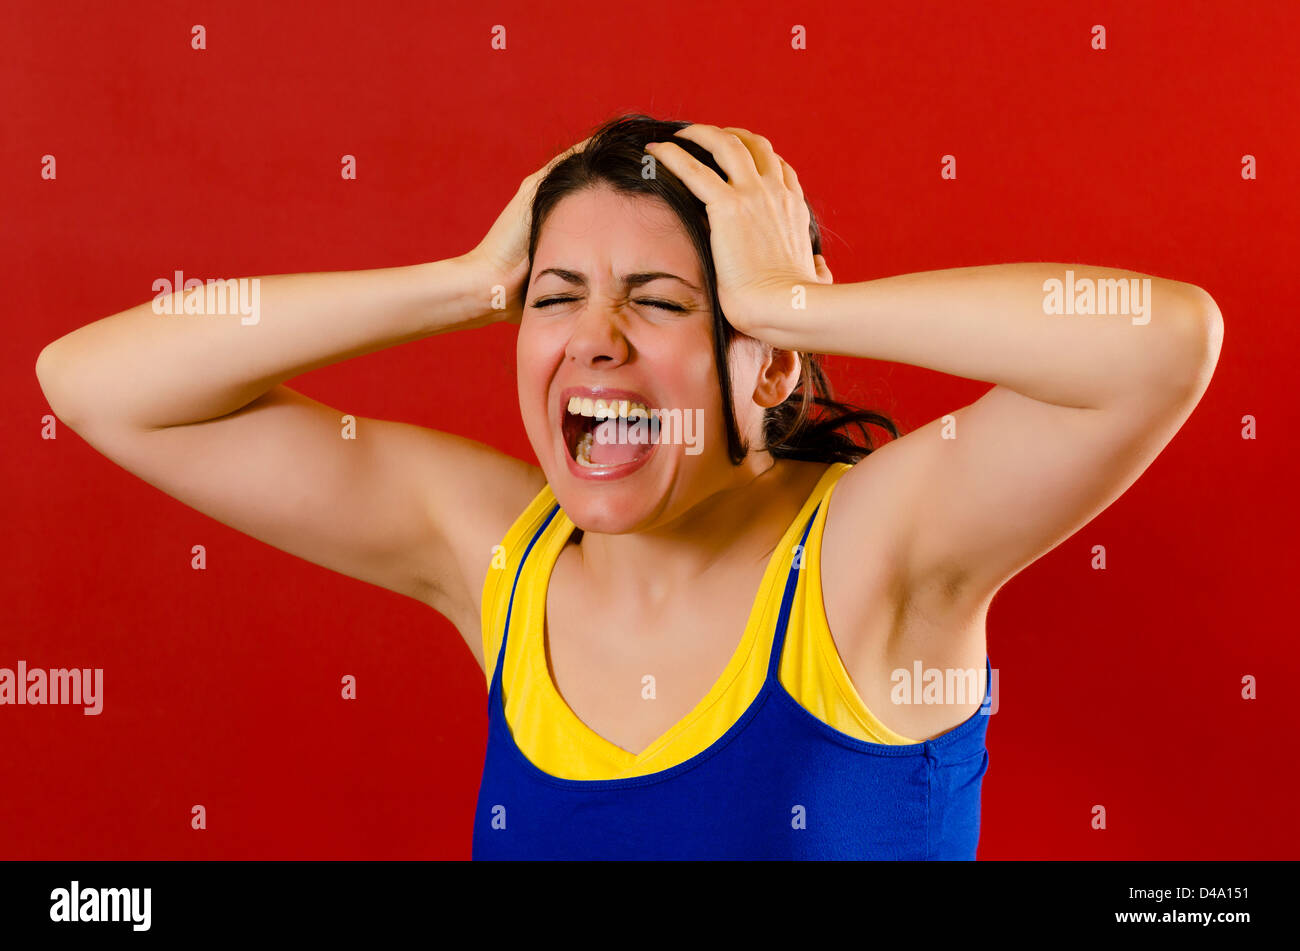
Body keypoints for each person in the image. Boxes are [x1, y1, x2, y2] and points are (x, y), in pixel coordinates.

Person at [34, 113, 1223, 859]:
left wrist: (792, 303)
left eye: (657, 301)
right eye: (556, 298)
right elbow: (97, 382)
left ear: (761, 362)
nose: (594, 338)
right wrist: (465, 277)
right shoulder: (503, 557)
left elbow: (1158, 342)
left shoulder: (874, 552)